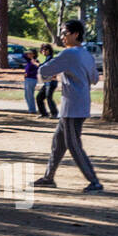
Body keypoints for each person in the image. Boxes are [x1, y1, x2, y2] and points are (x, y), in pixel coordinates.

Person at [33, 20, 103, 192]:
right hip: (78, 104)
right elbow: (94, 78)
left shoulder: (69, 54)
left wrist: (50, 75)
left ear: (76, 34)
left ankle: (94, 181)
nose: (62, 36)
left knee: (73, 144)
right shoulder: (86, 54)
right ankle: (49, 177)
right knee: (58, 143)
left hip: (73, 106)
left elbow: (43, 71)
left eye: (65, 33)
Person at [35, 44, 59, 118]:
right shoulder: (47, 59)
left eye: (46, 50)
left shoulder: (52, 59)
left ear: (49, 51)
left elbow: (46, 66)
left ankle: (54, 113)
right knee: (39, 97)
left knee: (49, 97)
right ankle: (44, 113)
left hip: (52, 82)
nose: (44, 51)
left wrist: (38, 64)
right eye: (42, 50)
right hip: (46, 82)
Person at [23, 48, 39, 113]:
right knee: (26, 95)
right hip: (27, 79)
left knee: (30, 95)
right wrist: (27, 52)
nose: (28, 54)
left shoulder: (35, 61)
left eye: (30, 53)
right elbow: (23, 55)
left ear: (34, 54)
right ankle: (30, 108)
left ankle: (32, 110)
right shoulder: (29, 60)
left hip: (32, 79)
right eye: (28, 53)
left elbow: (36, 70)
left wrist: (28, 74)